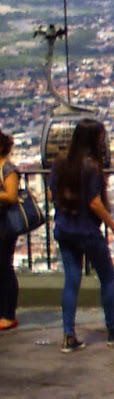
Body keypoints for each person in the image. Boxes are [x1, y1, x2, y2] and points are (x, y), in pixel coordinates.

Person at [49, 119, 114, 352]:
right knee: (107, 278)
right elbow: (94, 203)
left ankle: (69, 335)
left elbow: (53, 194)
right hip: (86, 230)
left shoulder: (60, 163)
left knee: (71, 280)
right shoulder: (92, 167)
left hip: (63, 227)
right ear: (95, 139)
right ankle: (113, 331)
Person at [0, 130, 21, 333]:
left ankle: (8, 314)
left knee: (4, 267)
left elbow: (11, 196)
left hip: (5, 225)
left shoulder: (8, 168)